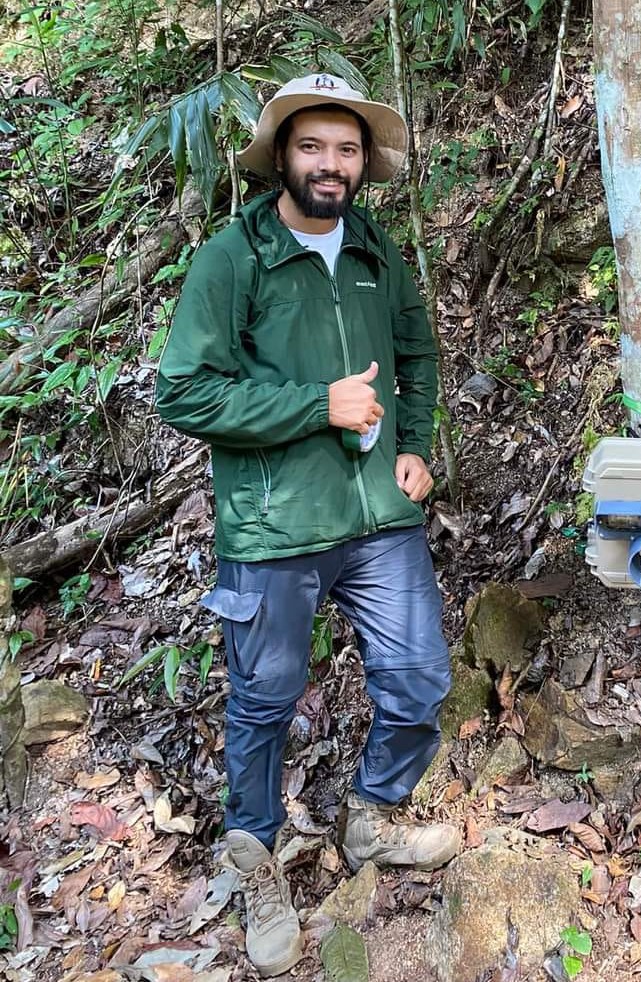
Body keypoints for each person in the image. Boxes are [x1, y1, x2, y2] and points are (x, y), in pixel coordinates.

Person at [155, 73, 460, 977]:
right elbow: (184, 389)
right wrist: (312, 406)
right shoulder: (234, 258)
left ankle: (370, 815)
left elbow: (417, 348)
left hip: (379, 513)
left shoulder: (373, 247)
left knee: (418, 676)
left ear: (364, 162)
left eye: (347, 149)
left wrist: (416, 444)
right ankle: (255, 859)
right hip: (275, 526)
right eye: (313, 146)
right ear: (281, 155)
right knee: (262, 702)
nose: (331, 165)